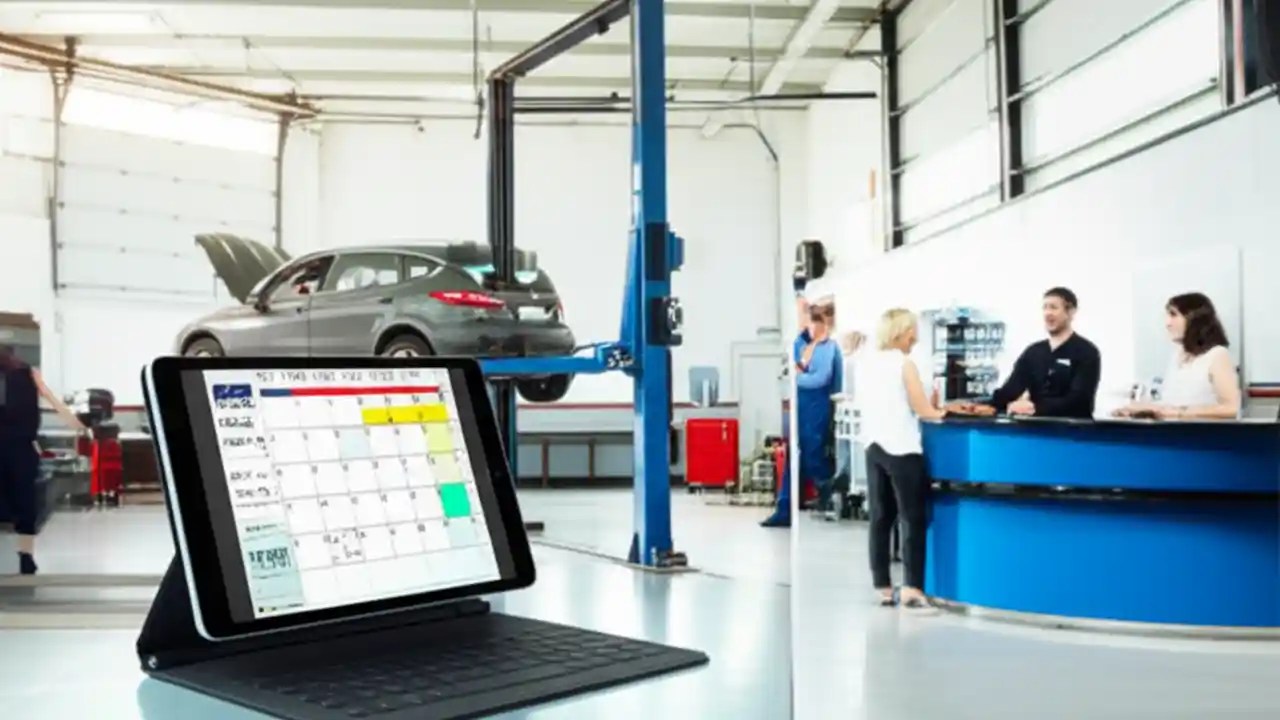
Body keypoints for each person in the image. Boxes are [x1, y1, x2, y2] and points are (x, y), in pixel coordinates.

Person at [855, 309, 946, 607]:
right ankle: (913, 587)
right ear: (901, 332)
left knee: (880, 517)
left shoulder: (865, 364)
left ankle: (881, 584)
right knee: (912, 518)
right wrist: (943, 411)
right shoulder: (903, 364)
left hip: (873, 446)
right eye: (912, 331)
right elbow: (924, 410)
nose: (916, 336)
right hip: (903, 449)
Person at [954, 287, 1101, 419]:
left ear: (1071, 312)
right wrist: (978, 405)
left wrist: (1036, 408)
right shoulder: (1033, 352)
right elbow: (1010, 390)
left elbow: (1080, 400)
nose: (1048, 313)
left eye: (1054, 307)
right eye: (1045, 308)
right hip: (1035, 434)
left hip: (1074, 435)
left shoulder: (1087, 352)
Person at [0, 345, 84, 575]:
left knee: (18, 502)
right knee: (26, 503)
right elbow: (51, 399)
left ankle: (25, 555)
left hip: (14, 445)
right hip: (22, 447)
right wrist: (76, 424)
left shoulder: (26, 373)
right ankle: (26, 555)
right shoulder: (28, 373)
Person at [762, 298, 842, 528]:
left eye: (812, 321)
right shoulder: (805, 343)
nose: (808, 326)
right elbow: (796, 361)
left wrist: (796, 377)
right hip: (801, 405)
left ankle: (828, 487)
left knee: (811, 455)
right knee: (794, 457)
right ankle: (786, 507)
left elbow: (820, 378)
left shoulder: (828, 348)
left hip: (816, 405)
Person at [1116, 292, 1241, 420]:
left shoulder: (1217, 355)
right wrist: (1143, 409)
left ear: (1194, 318)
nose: (1167, 323)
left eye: (1173, 315)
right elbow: (1173, 405)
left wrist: (1179, 412)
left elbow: (1231, 408)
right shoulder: (1177, 355)